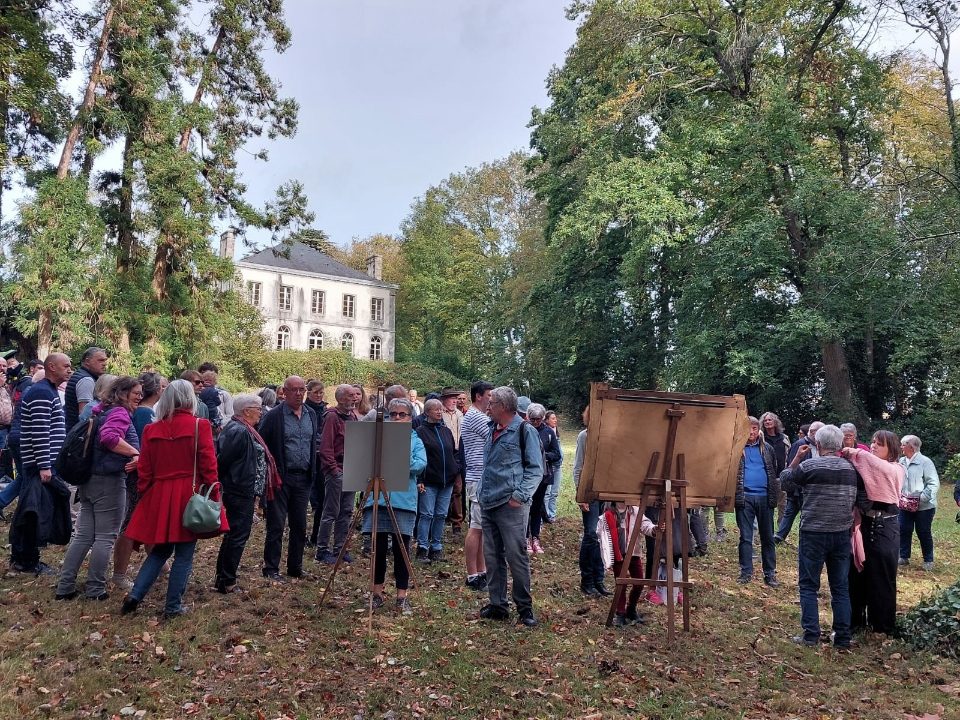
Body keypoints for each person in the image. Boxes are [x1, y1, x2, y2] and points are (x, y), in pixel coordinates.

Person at [121, 380, 226, 618]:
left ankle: (135, 595)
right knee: (184, 554)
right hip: (188, 494)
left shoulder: (152, 429)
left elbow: (145, 468)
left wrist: (146, 495)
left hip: (160, 494)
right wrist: (215, 496)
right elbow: (209, 466)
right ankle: (173, 606)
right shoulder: (200, 425)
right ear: (190, 399)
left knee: (160, 550)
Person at [55, 376, 142, 601]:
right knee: (105, 537)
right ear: (123, 393)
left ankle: (65, 586)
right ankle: (95, 589)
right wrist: (135, 453)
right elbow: (110, 438)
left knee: (83, 535)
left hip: (89, 479)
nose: (140, 397)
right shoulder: (119, 413)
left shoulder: (99, 410)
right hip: (109, 482)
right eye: (136, 393)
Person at [779, 424, 857, 649]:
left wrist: (795, 459)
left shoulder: (809, 466)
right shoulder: (850, 468)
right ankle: (842, 638)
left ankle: (811, 635)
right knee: (840, 586)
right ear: (841, 444)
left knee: (808, 585)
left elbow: (785, 482)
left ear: (818, 444)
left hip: (813, 531)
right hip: (841, 532)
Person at [478, 386, 543, 628]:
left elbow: (536, 469)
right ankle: (498, 605)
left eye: (491, 403)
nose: (487, 406)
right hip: (488, 501)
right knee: (492, 557)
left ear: (503, 407)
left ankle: (525, 609)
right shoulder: (490, 428)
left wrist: (520, 495)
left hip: (511, 505)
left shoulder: (524, 430)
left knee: (516, 557)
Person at [10, 353, 73, 575]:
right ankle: (25, 561)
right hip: (39, 465)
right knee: (31, 513)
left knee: (33, 511)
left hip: (43, 464)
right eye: (65, 366)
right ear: (51, 367)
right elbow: (39, 432)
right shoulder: (41, 392)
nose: (69, 369)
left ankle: (25, 558)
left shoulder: (49, 391)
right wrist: (44, 466)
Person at [364, 398, 427, 614]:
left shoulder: (415, 440)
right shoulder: (377, 439)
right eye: (394, 414)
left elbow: (420, 464)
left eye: (403, 414)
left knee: (402, 549)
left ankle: (402, 596)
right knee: (378, 547)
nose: (398, 418)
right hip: (378, 499)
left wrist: (397, 459)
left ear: (411, 418)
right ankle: (376, 592)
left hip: (403, 499)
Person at [257, 375, 319, 581]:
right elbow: (262, 445)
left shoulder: (311, 414)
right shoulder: (275, 416)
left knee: (300, 525)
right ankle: (271, 568)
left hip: (303, 478)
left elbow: (313, 445)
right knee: (276, 524)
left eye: (302, 389)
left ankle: (295, 566)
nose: (299, 394)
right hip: (281, 478)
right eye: (294, 390)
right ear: (284, 392)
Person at [215, 393, 278, 593]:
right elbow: (224, 461)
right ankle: (227, 580)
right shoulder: (238, 430)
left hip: (243, 489)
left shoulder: (245, 429)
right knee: (238, 535)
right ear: (246, 411)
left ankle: (224, 578)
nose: (261, 412)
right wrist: (232, 484)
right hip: (239, 489)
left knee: (235, 534)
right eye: (258, 409)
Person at [842, 431, 903, 635]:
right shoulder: (865, 465)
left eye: (880, 444)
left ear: (891, 449)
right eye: (873, 442)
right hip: (863, 525)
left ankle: (882, 627)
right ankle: (856, 622)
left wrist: (858, 452)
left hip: (885, 527)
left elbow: (880, 468)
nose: (874, 446)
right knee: (857, 575)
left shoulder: (896, 468)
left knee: (882, 577)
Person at [112, 371, 166, 591]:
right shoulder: (144, 414)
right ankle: (119, 573)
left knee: (147, 521)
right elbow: (146, 448)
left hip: (142, 474)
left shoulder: (145, 411)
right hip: (139, 477)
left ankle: (158, 563)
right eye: (163, 386)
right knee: (131, 523)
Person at [734, 416, 780, 586]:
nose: (751, 432)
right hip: (745, 498)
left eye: (754, 428)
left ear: (758, 429)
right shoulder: (737, 449)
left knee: (767, 537)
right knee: (746, 537)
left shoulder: (767, 448)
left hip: (765, 497)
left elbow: (773, 470)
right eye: (748, 428)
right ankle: (746, 572)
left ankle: (770, 574)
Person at [414, 398, 460, 563]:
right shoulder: (420, 431)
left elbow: (454, 452)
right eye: (436, 409)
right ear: (427, 412)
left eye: (441, 409)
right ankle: (422, 547)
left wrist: (456, 469)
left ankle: (437, 546)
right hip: (429, 481)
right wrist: (420, 478)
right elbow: (417, 456)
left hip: (447, 481)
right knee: (426, 514)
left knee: (441, 514)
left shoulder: (446, 431)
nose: (439, 412)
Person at [316, 384, 356, 564]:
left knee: (346, 511)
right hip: (337, 471)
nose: (354, 398)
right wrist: (333, 470)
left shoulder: (353, 417)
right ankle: (322, 549)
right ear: (340, 398)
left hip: (352, 470)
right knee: (331, 511)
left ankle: (340, 549)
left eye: (355, 395)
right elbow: (325, 447)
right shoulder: (332, 417)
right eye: (350, 395)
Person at [461, 381, 492, 590]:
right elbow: (496, 436)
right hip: (477, 476)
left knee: (482, 529)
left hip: (482, 477)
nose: (492, 398)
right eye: (489, 395)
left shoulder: (480, 416)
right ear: (478, 396)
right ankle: (472, 574)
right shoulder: (476, 417)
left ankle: (482, 572)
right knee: (475, 528)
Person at [603, 503, 656, 626]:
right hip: (618, 554)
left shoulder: (635, 510)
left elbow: (645, 525)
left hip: (634, 553)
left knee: (639, 582)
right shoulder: (610, 512)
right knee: (621, 583)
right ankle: (620, 612)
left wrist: (654, 529)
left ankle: (631, 609)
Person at [574, 406, 607, 597]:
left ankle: (599, 580)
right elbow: (578, 467)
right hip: (590, 493)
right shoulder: (584, 436)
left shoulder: (611, 438)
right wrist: (581, 495)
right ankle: (587, 580)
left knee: (603, 537)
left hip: (606, 494)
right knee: (591, 535)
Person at [776, 420, 824, 544]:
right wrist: (794, 487)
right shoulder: (800, 444)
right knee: (792, 512)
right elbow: (792, 466)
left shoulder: (822, 446)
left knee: (791, 512)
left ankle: (780, 535)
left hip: (812, 488)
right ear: (813, 433)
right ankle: (781, 536)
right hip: (799, 488)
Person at [898, 435, 940, 570]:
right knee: (904, 529)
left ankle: (928, 560)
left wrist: (921, 499)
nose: (901, 447)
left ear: (911, 446)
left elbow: (933, 484)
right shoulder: (902, 461)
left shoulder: (925, 462)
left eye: (903, 444)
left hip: (924, 507)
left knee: (923, 531)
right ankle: (903, 557)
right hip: (905, 504)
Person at [526, 403, 560, 554]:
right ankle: (525, 537)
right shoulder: (523, 430)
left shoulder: (548, 432)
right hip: (526, 476)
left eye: (538, 419)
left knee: (537, 507)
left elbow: (556, 453)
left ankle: (535, 537)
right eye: (533, 419)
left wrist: (544, 456)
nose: (535, 422)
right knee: (526, 506)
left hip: (543, 476)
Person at [439, 387, 465, 534]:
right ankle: (441, 519)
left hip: (457, 454)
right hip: (443, 454)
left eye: (455, 397)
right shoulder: (439, 414)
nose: (455, 400)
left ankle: (457, 522)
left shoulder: (460, 415)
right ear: (444, 400)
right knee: (442, 488)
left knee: (457, 489)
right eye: (451, 398)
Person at [304, 379, 327, 548]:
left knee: (321, 499)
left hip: (321, 458)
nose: (319, 395)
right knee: (304, 498)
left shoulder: (326, 410)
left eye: (321, 392)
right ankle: (301, 533)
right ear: (309, 393)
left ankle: (316, 535)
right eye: (315, 392)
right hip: (307, 456)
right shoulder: (305, 409)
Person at [63, 347, 108, 430]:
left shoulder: (81, 375)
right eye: (100, 360)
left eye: (105, 360)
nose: (104, 364)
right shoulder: (86, 380)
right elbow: (85, 415)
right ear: (87, 361)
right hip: (78, 434)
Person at [759, 412, 791, 528]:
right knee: (767, 504)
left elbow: (789, 455)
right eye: (765, 420)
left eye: (769, 420)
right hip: (766, 477)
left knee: (783, 505)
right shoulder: (761, 438)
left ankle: (781, 531)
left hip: (782, 476)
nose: (767, 422)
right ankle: (767, 529)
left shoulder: (784, 438)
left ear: (775, 422)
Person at [543, 411, 563, 522]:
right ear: (546, 420)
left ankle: (552, 513)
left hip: (558, 466)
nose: (555, 420)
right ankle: (544, 515)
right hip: (549, 466)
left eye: (555, 418)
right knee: (547, 492)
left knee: (554, 492)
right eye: (553, 418)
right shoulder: (546, 433)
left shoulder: (556, 433)